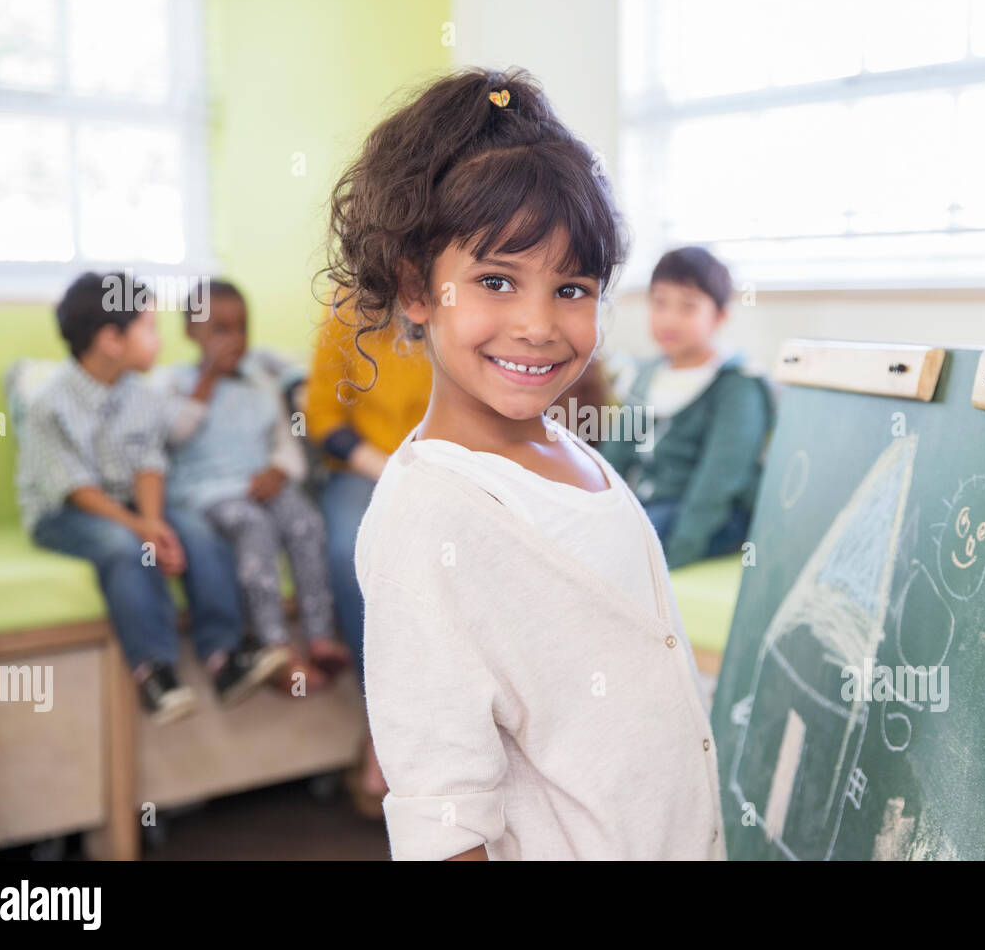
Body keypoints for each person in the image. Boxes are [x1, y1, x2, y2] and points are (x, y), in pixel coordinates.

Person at [320, 66, 727, 859]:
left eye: (572, 288)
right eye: (496, 281)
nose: (539, 324)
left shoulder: (572, 453)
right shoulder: (426, 518)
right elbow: (444, 823)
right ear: (416, 291)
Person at [17, 272, 287, 724]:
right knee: (123, 548)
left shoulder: (141, 395)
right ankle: (154, 671)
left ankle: (224, 657)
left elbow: (149, 465)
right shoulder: (50, 402)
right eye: (149, 329)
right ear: (110, 340)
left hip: (126, 504)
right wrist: (141, 530)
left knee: (198, 531)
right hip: (66, 511)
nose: (160, 342)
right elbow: (75, 487)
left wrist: (155, 521)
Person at [160, 279, 351, 695]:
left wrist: (279, 472)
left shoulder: (259, 381)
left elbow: (287, 444)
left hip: (261, 484)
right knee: (255, 528)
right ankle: (276, 649)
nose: (235, 339)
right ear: (192, 333)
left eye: (242, 327)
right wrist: (207, 379)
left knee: (305, 521)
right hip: (208, 492)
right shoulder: (174, 383)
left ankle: (319, 636)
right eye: (220, 330)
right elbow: (175, 433)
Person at [304, 296, 431, 813]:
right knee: (349, 551)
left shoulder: (453, 308)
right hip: (363, 470)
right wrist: (387, 469)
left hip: (441, 464)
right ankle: (382, 725)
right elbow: (321, 417)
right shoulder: (345, 314)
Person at [598, 246, 777, 569]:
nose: (669, 318)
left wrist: (678, 550)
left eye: (688, 307)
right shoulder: (645, 375)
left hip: (709, 513)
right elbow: (616, 453)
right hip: (651, 501)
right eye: (660, 303)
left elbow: (720, 480)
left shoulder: (737, 383)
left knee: (631, 542)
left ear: (720, 316)